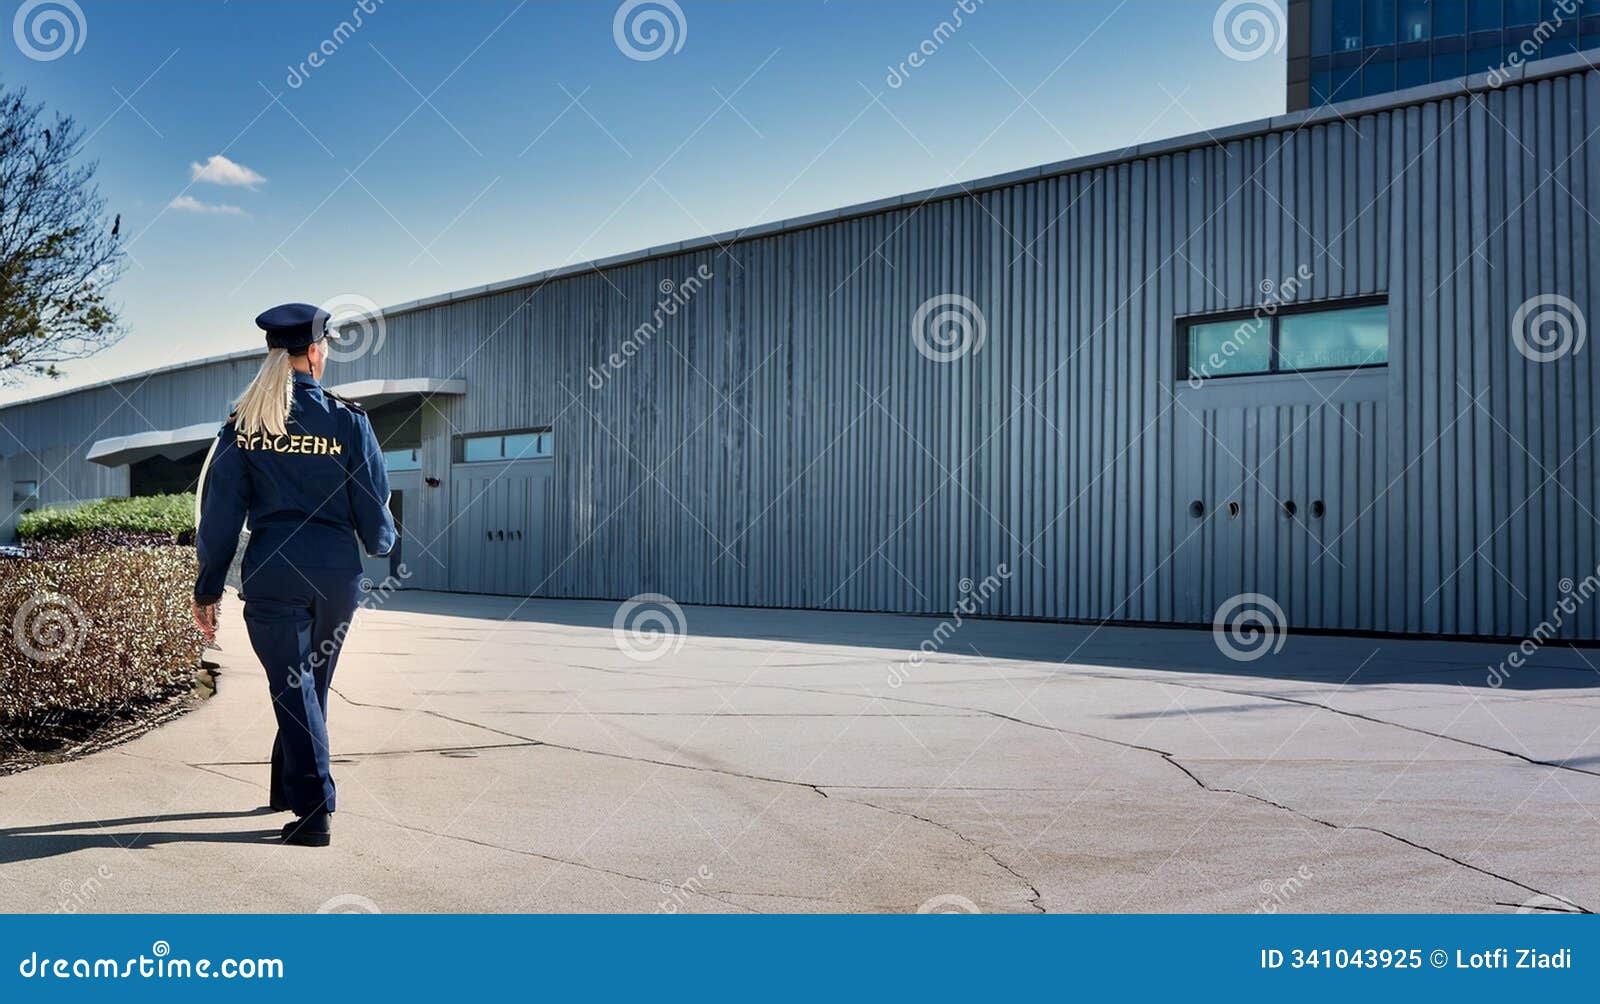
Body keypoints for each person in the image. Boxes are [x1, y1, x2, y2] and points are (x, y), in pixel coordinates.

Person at [191, 302, 395, 848]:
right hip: (335, 575)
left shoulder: (244, 425)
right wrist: (381, 543)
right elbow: (374, 503)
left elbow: (220, 517)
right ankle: (292, 789)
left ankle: (312, 811)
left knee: (294, 686)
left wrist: (207, 586)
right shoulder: (348, 419)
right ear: (312, 351)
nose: (325, 352)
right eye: (324, 345)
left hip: (274, 570)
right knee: (309, 685)